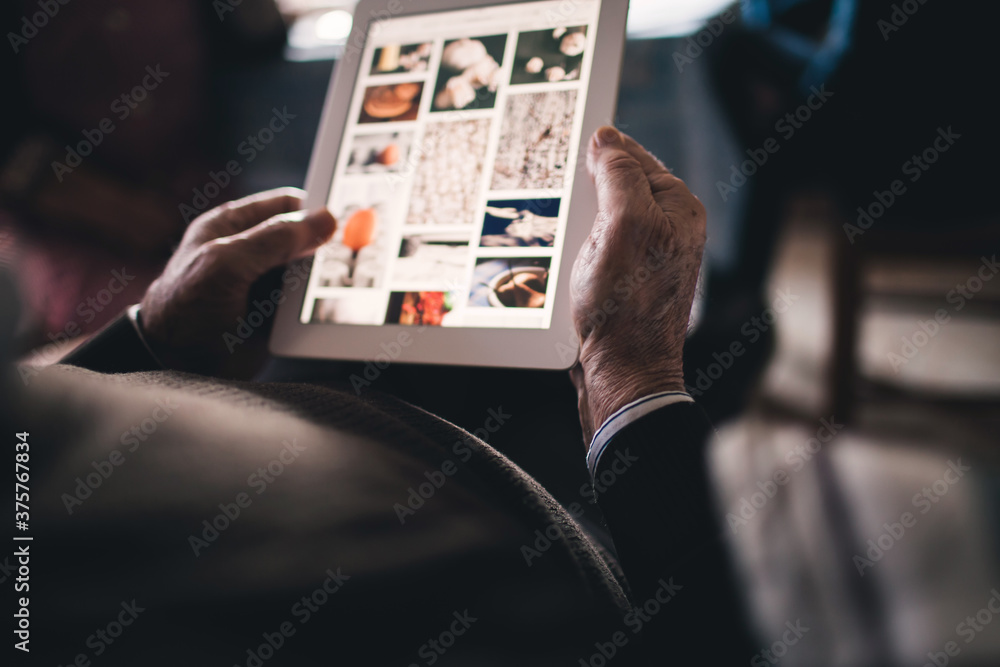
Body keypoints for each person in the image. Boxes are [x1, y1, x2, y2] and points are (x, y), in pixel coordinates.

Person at [8, 128, 753, 664]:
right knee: (717, 344)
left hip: (368, 416)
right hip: (534, 544)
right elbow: (700, 643)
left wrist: (149, 335)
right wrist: (638, 389)